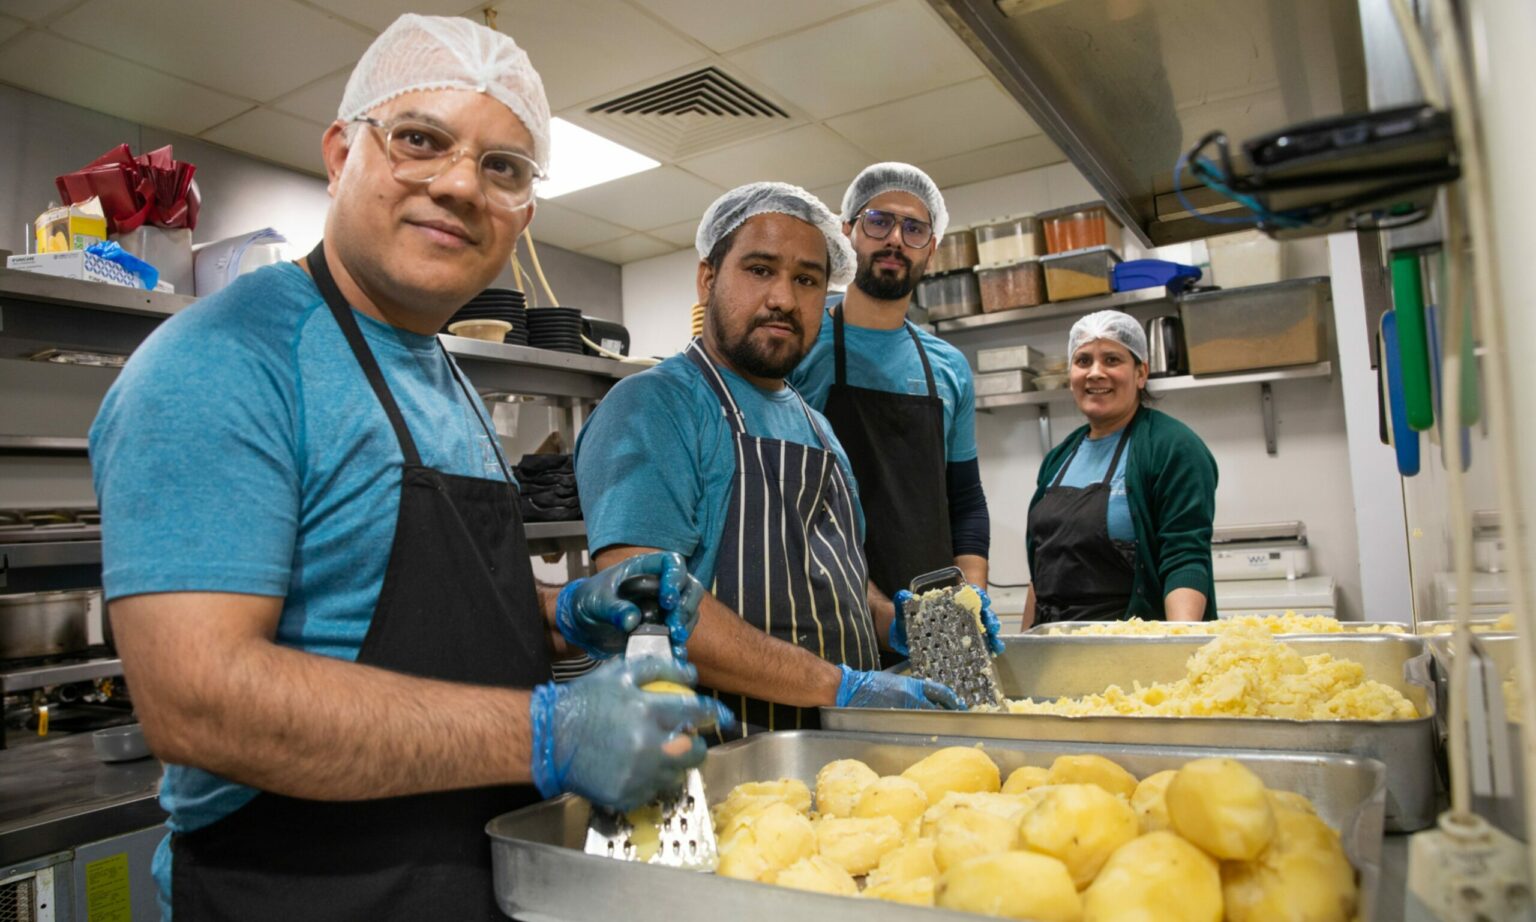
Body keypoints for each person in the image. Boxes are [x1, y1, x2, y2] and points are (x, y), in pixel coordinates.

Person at [89, 15, 728, 920]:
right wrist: (552, 732)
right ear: (341, 152)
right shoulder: (224, 360)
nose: (461, 184)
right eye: (421, 140)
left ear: (524, 214)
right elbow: (199, 702)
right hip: (297, 895)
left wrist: (568, 616)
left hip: (473, 881)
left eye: (502, 167)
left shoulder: (444, 375)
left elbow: (409, 608)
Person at [574, 182, 964, 737]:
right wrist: (841, 686)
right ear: (708, 279)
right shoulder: (654, 407)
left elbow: (843, 583)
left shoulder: (817, 426)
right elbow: (648, 611)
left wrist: (903, 623)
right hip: (718, 755)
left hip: (827, 748)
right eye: (760, 270)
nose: (783, 297)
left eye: (806, 279)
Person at [788, 163, 998, 659]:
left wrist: (972, 597)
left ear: (932, 248)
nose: (895, 239)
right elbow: (784, 504)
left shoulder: (948, 366)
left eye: (914, 228)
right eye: (878, 221)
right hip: (826, 617)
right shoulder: (799, 346)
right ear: (847, 233)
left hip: (931, 626)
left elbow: (965, 500)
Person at [1024, 310, 1218, 625]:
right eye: (1083, 361)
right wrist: (1024, 653)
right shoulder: (1059, 458)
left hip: (1132, 649)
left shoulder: (1172, 446)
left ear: (1141, 373)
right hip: (1055, 650)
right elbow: (1041, 572)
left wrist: (1180, 647)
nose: (1095, 373)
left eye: (1112, 360)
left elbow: (1184, 556)